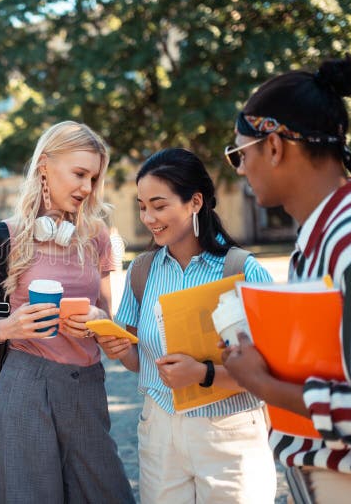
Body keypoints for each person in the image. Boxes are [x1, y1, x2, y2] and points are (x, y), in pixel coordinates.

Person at [221, 56, 351, 502]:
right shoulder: (319, 239)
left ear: (274, 147)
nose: (240, 169)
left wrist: (263, 384)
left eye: (240, 153)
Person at [0, 121, 135, 503]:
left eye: (93, 177)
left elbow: (111, 324)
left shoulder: (98, 238)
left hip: (86, 388)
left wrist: (98, 322)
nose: (87, 188)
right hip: (22, 388)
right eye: (79, 174)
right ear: (44, 165)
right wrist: (7, 327)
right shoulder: (1, 238)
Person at [98, 148, 277, 503]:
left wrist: (202, 373)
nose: (148, 217)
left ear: (195, 202)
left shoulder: (244, 271)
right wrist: (120, 350)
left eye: (159, 205)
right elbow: (140, 362)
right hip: (160, 431)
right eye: (142, 206)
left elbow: (274, 369)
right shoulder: (141, 272)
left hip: (230, 434)